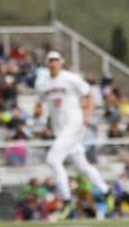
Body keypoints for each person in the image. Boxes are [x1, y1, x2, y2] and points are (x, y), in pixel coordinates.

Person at [34, 50, 110, 216]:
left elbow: (89, 94)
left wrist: (88, 115)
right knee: (81, 164)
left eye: (56, 60)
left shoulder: (71, 78)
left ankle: (66, 200)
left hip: (74, 123)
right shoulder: (41, 83)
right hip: (58, 128)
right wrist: (38, 113)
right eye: (50, 61)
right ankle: (106, 191)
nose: (53, 64)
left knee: (53, 159)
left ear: (61, 62)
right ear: (47, 64)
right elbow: (38, 103)